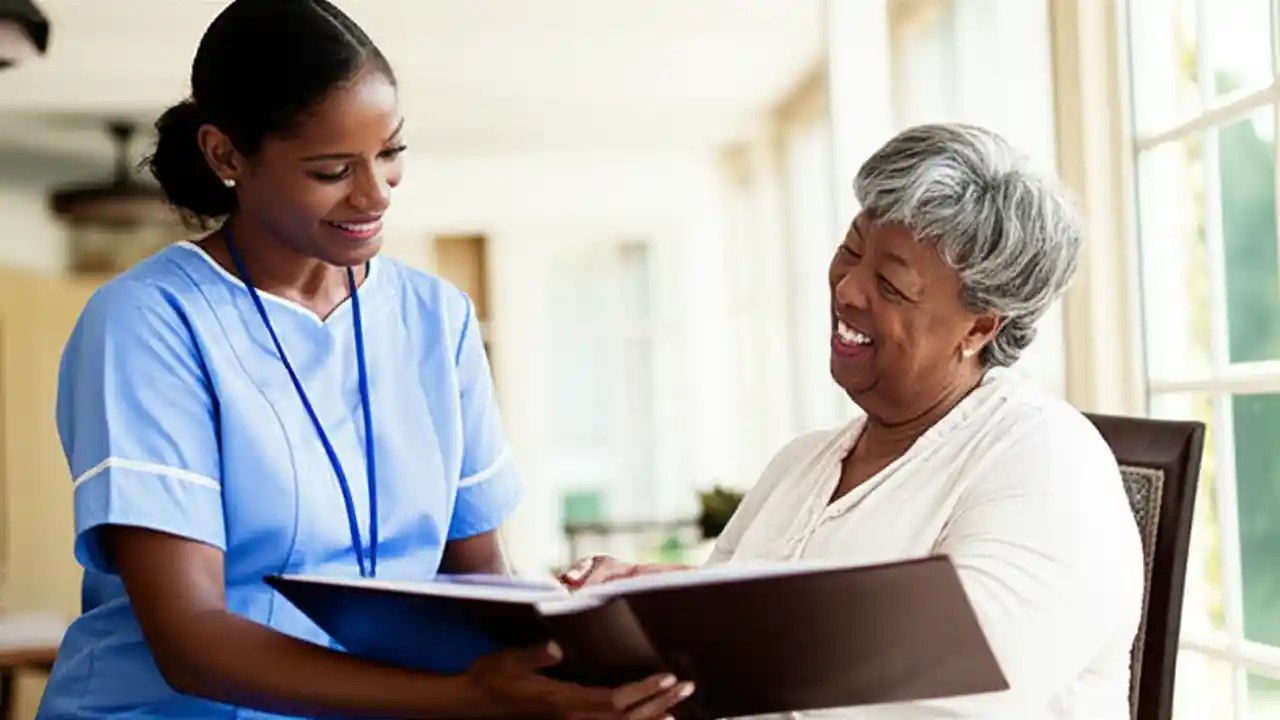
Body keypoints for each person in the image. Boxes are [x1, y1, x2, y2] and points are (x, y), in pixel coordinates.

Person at [36, 1, 693, 718]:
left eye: (391, 153)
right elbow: (190, 639)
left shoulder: (436, 320)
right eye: (331, 169)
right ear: (226, 155)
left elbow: (475, 582)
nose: (375, 192)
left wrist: (588, 619)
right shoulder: (148, 321)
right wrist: (463, 699)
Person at [561, 124, 1144, 719]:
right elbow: (723, 652)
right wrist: (643, 601)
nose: (848, 287)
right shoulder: (802, 463)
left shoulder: (1046, 458)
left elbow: (957, 681)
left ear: (978, 328)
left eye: (891, 285)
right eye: (851, 249)